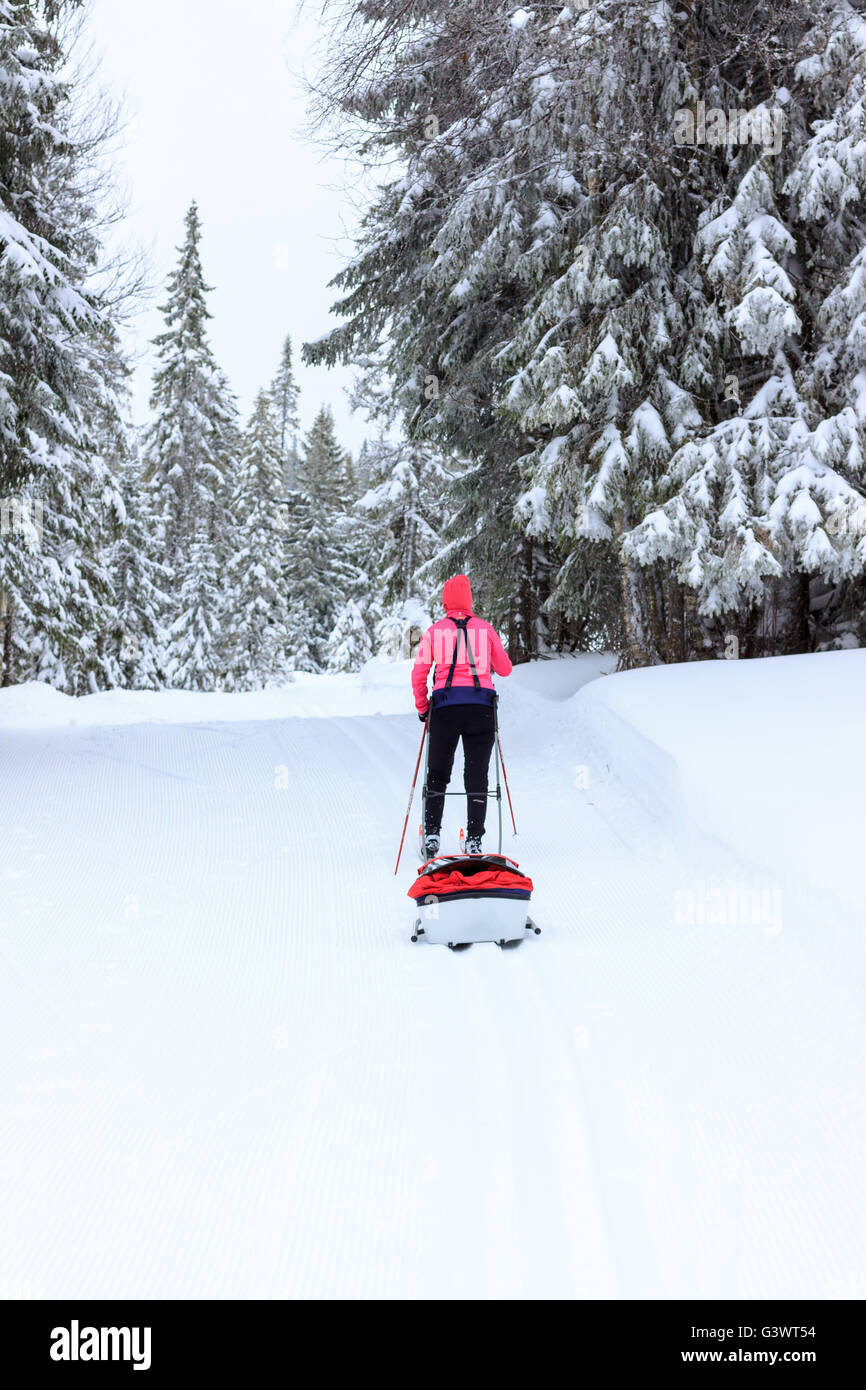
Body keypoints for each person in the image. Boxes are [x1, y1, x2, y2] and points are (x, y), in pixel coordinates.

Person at [412, 574, 512, 857]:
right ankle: (474, 840)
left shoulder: (435, 631)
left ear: (446, 600)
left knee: (438, 773)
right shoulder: (485, 628)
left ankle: (432, 836)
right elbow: (504, 669)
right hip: (481, 709)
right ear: (469, 600)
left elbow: (419, 674)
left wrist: (423, 708)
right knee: (477, 775)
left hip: (444, 710)